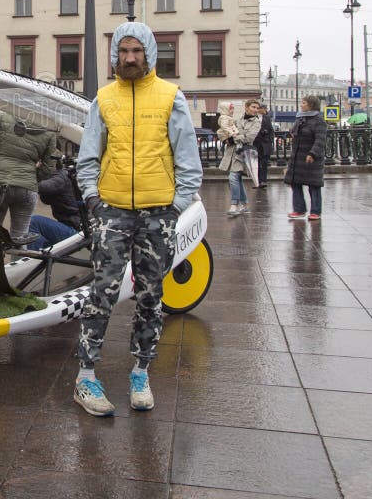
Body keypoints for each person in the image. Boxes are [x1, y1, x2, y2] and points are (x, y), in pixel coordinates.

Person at [73, 22, 202, 416]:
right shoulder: (104, 99)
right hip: (112, 211)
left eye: (137, 51)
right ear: (116, 54)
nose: (130, 58)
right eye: (124, 51)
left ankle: (141, 371)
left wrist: (176, 205)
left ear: (149, 53)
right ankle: (85, 376)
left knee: (150, 295)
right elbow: (88, 156)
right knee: (103, 292)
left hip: (157, 213)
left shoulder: (170, 97)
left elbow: (188, 159)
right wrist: (94, 198)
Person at [0, 112, 56, 246]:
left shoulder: (5, 117)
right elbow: (49, 166)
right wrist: (32, 178)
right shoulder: (50, 130)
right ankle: (20, 266)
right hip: (27, 188)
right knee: (21, 237)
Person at [284, 95, 327, 221]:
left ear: (311, 105)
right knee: (295, 183)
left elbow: (320, 140)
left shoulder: (319, 121)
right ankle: (299, 210)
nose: (301, 105)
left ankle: (316, 211)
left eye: (303, 103)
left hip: (311, 158)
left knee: (314, 185)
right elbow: (294, 132)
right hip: (297, 157)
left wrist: (312, 153)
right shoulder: (300, 119)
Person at [217, 99, 261, 216]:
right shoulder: (238, 120)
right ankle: (245, 205)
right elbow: (223, 131)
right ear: (246, 107)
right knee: (238, 179)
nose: (256, 110)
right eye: (253, 107)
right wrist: (225, 139)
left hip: (244, 153)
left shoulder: (256, 122)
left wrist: (232, 139)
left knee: (233, 177)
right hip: (233, 152)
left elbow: (249, 137)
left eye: (257, 108)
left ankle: (234, 204)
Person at [27, 166, 85, 250]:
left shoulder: (61, 177)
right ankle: (43, 255)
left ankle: (37, 259)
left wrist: (21, 182)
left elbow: (45, 186)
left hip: (77, 232)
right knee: (35, 232)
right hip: (78, 228)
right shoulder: (68, 174)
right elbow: (46, 200)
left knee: (33, 222)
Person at [254, 103, 275, 187]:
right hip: (256, 144)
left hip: (265, 145)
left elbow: (271, 131)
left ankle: (264, 180)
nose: (266, 110)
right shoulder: (253, 118)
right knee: (257, 164)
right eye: (264, 109)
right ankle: (258, 181)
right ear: (260, 109)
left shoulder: (267, 118)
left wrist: (270, 140)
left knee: (264, 163)